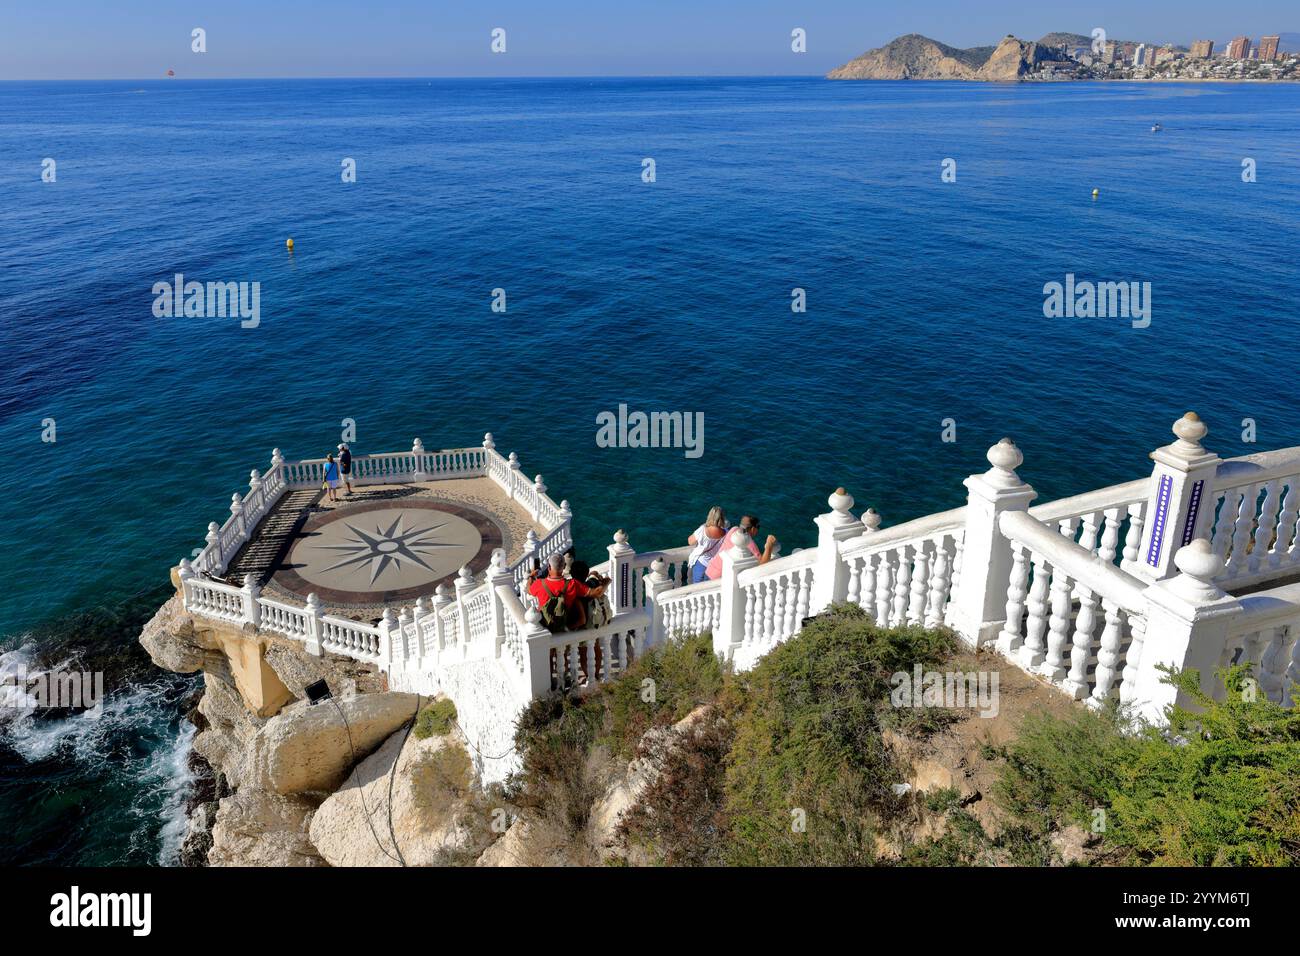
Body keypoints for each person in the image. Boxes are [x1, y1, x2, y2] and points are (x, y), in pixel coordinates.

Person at [527, 552, 607, 633]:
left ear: (549, 567)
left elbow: (529, 590)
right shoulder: (573, 584)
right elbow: (597, 593)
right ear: (564, 566)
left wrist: (531, 576)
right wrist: (605, 582)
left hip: (545, 628)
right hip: (563, 626)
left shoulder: (539, 583)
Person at [705, 514, 777, 580]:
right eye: (757, 527)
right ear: (752, 529)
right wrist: (769, 545)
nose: (758, 529)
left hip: (709, 569)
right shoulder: (748, 542)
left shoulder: (733, 529)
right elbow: (762, 563)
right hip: (717, 577)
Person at [686, 506, 729, 584]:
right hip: (714, 566)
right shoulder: (726, 532)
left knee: (697, 587)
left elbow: (690, 541)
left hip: (701, 563)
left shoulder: (702, 530)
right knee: (708, 588)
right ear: (722, 518)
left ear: (710, 516)